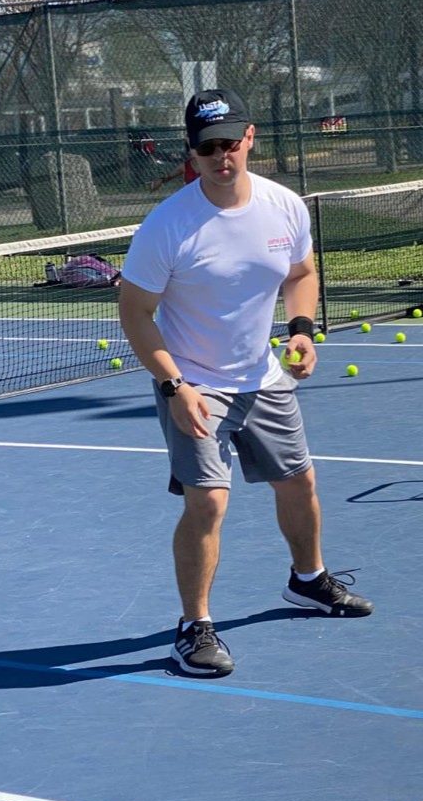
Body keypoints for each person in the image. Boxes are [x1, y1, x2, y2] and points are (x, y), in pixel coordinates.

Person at [119, 88, 373, 678]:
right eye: (208, 147)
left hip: (262, 375)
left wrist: (303, 330)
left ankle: (308, 580)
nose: (221, 156)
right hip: (193, 382)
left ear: (249, 138)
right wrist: (173, 387)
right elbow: (134, 314)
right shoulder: (167, 227)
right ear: (192, 152)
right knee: (208, 501)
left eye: (230, 143)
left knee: (299, 482)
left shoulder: (284, 207)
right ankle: (194, 628)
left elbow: (302, 273)